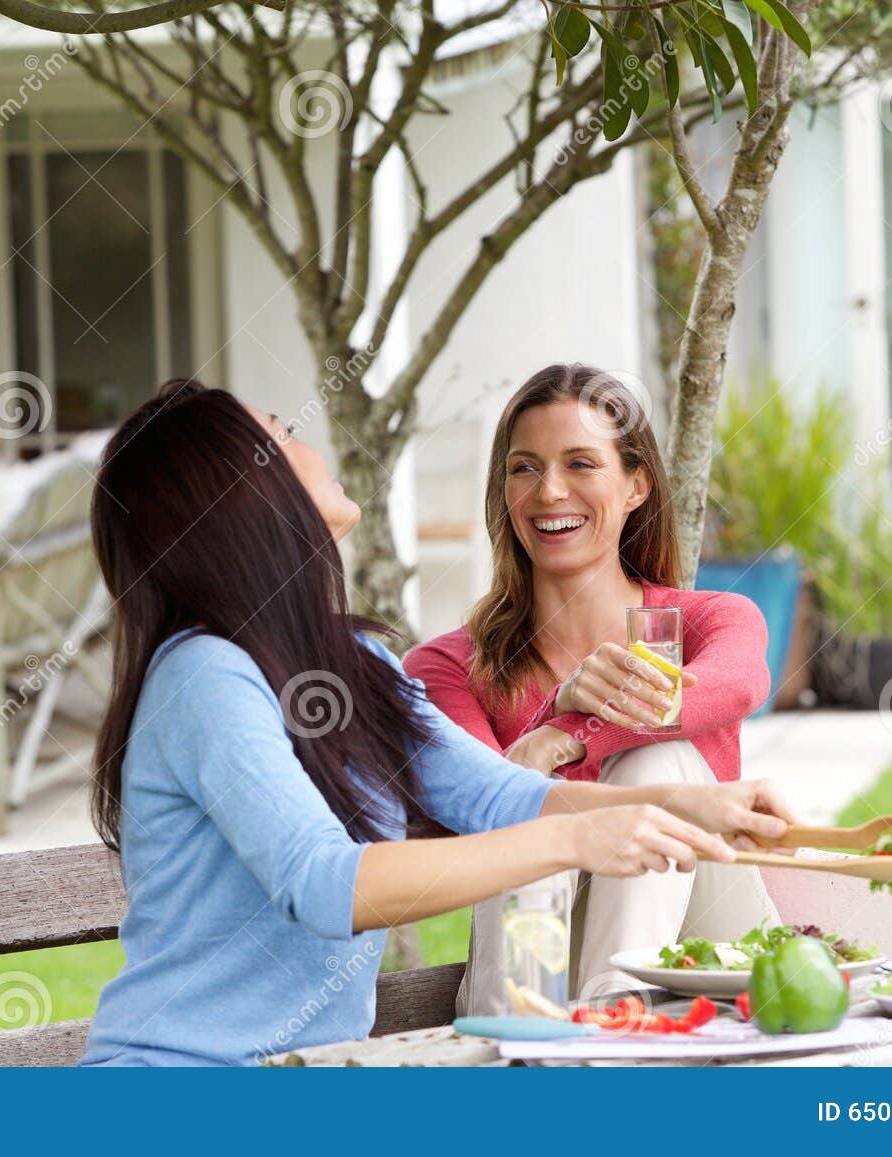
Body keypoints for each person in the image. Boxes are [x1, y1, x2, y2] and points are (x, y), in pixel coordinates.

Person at [77, 380, 795, 1065]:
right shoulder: (204, 675)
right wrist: (580, 835)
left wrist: (688, 804)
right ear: (236, 492)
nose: (311, 445)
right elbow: (325, 882)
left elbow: (499, 796)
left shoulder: (355, 662)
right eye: (283, 435)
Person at [404, 364, 781, 1007]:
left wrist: (565, 732)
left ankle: (613, 1018)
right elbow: (478, 811)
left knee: (654, 757)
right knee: (515, 799)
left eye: (581, 464)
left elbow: (730, 688)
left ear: (635, 485)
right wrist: (542, 737)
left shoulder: (714, 618)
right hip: (538, 968)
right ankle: (542, 1037)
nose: (549, 491)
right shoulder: (444, 667)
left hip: (717, 956)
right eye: (524, 468)